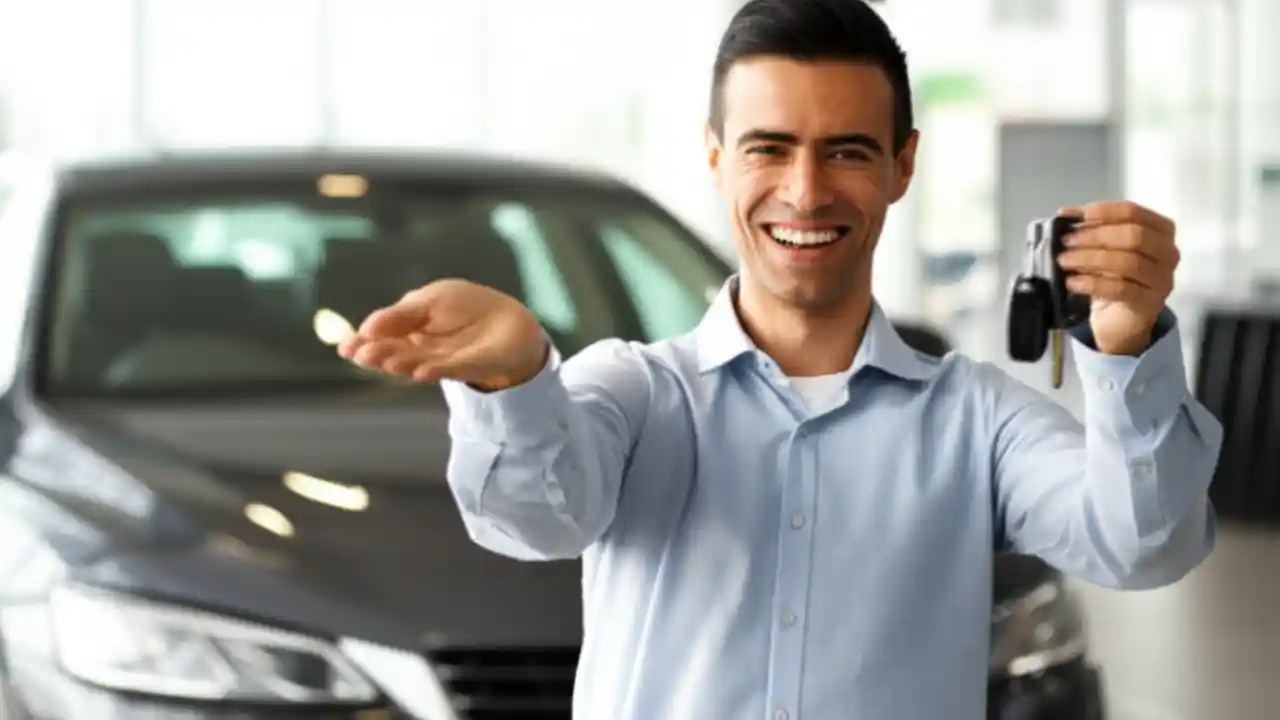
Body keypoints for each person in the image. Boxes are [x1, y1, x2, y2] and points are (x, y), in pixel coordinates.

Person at [339, 0, 1224, 717]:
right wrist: (516, 379)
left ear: (902, 165)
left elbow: (1141, 546)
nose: (805, 191)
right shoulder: (632, 392)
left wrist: (1124, 349)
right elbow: (532, 519)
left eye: (845, 151)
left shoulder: (977, 420)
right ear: (718, 157)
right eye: (770, 148)